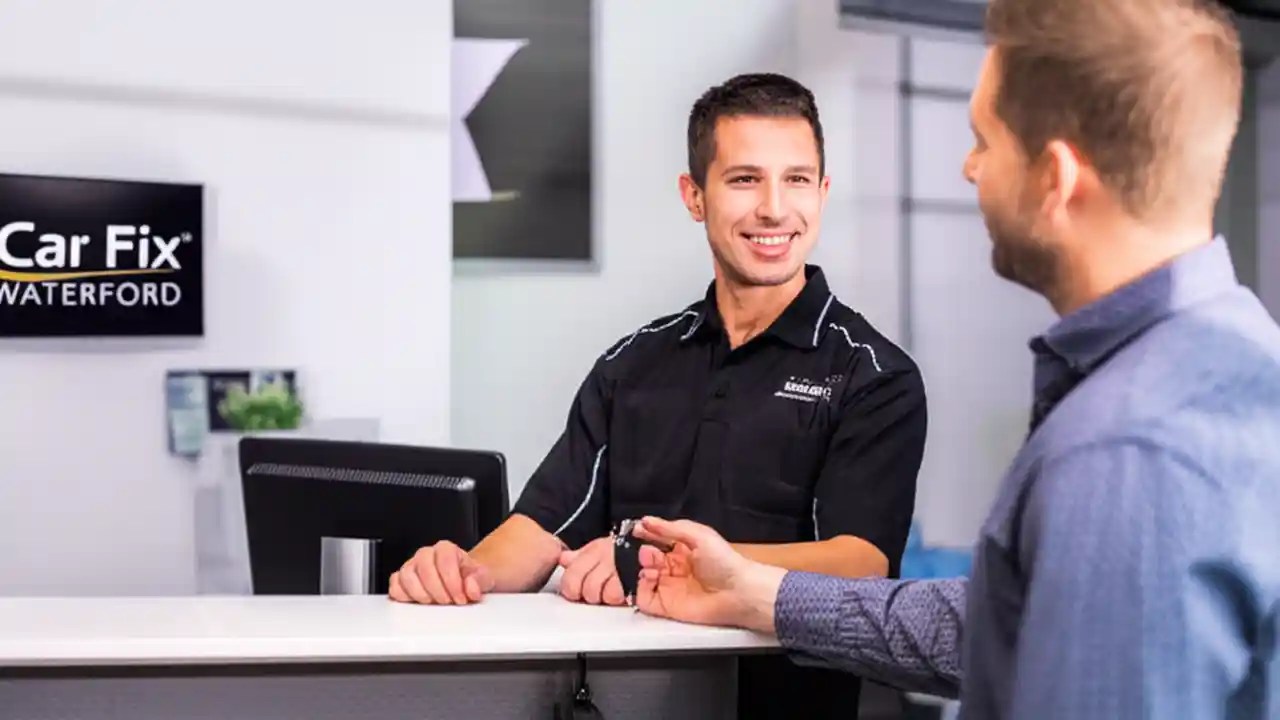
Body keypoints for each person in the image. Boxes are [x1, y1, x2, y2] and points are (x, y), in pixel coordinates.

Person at [630, 2, 1280, 719]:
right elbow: (1007, 619)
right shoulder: (1224, 360)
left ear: (1055, 178)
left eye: (984, 140)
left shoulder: (1128, 450)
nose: (970, 169)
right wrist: (755, 590)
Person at [389, 73, 928, 718]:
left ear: (823, 191)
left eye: (798, 179)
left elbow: (859, 564)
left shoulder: (874, 376)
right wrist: (462, 572)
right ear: (694, 196)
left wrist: (652, 560)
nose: (776, 209)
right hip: (621, 703)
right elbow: (542, 528)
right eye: (745, 179)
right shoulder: (633, 364)